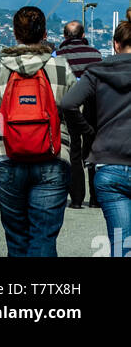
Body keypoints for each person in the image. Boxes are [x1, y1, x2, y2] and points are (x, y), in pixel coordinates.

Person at [0, 5, 80, 257]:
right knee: (43, 238)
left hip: (7, 156)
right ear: (44, 33)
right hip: (52, 157)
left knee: (17, 237)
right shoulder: (61, 67)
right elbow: (77, 109)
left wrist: (8, 129)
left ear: (15, 33)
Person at [60, 8, 131, 257]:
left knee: (122, 246)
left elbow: (68, 103)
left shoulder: (97, 72)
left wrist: (88, 130)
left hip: (109, 165)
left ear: (115, 44)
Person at [56, 20, 102, 209]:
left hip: (68, 106)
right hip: (92, 107)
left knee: (74, 151)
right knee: (92, 149)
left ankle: (76, 198)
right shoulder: (96, 55)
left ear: (65, 36)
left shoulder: (58, 56)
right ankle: (95, 198)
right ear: (83, 36)